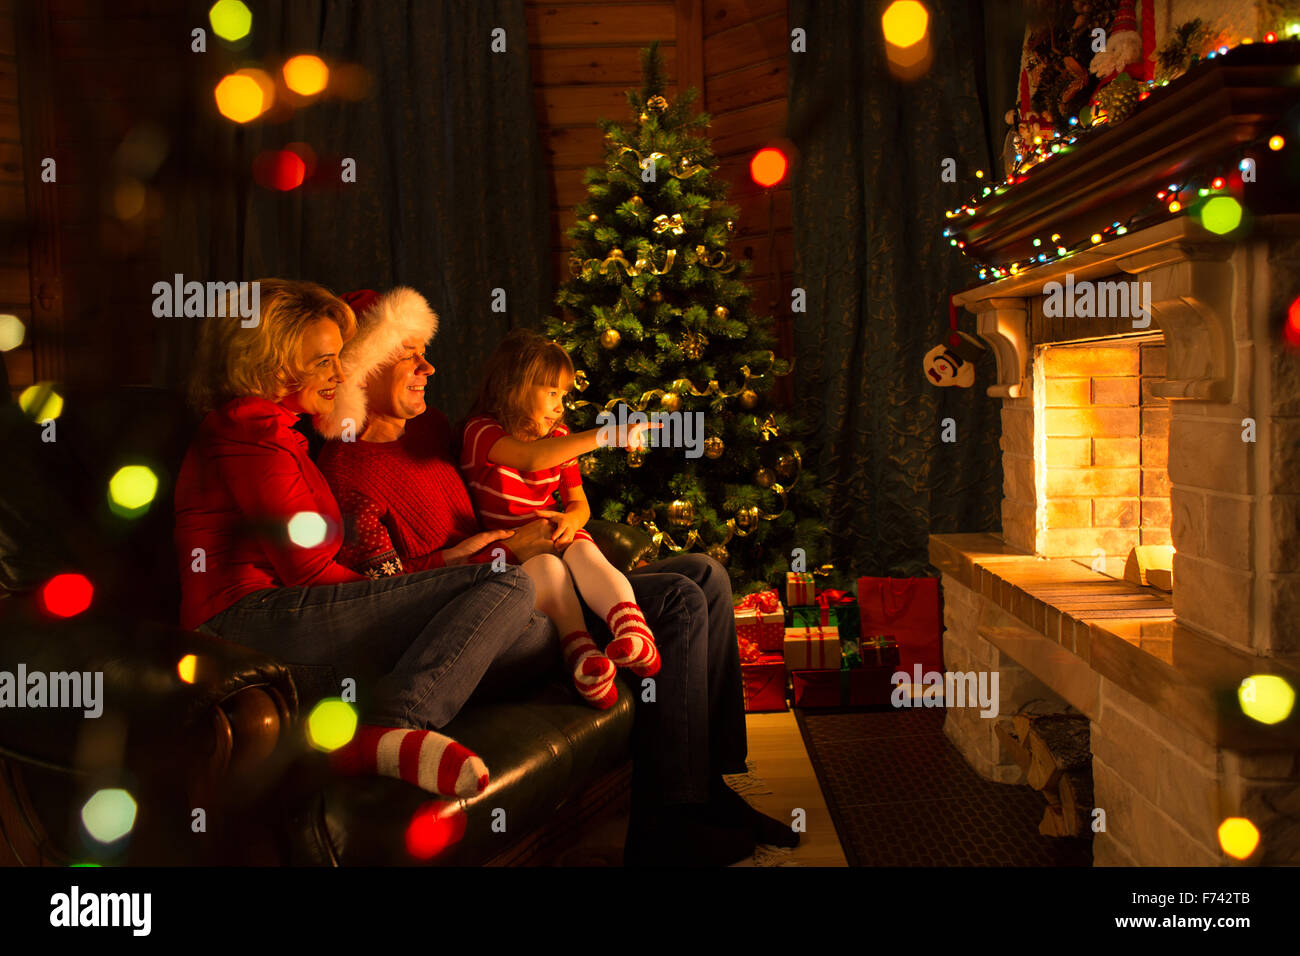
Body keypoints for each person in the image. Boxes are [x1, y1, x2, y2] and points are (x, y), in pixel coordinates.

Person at [315, 288, 799, 866]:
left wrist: (550, 527)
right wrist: (495, 555)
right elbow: (387, 592)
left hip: (534, 573)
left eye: (426, 353)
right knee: (680, 599)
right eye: (411, 354)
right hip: (502, 612)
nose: (430, 367)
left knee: (706, 574)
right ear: (365, 367)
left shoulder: (431, 430)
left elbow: (520, 482)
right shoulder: (346, 467)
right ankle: (667, 820)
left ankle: (710, 787)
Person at [173, 278, 548, 799]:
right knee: (507, 587)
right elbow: (309, 572)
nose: (340, 371)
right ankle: (393, 724)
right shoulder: (249, 433)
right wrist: (440, 581)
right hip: (244, 624)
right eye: (325, 360)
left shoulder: (283, 430)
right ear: (276, 362)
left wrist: (440, 567)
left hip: (289, 610)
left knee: (527, 631)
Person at [461, 330, 663, 710]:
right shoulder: (482, 432)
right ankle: (583, 656)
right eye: (551, 392)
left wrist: (572, 520)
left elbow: (578, 502)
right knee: (549, 573)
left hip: (558, 533)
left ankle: (632, 629)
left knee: (586, 555)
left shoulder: (561, 436)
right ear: (514, 386)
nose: (560, 405)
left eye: (564, 395)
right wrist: (608, 434)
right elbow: (531, 459)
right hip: (515, 551)